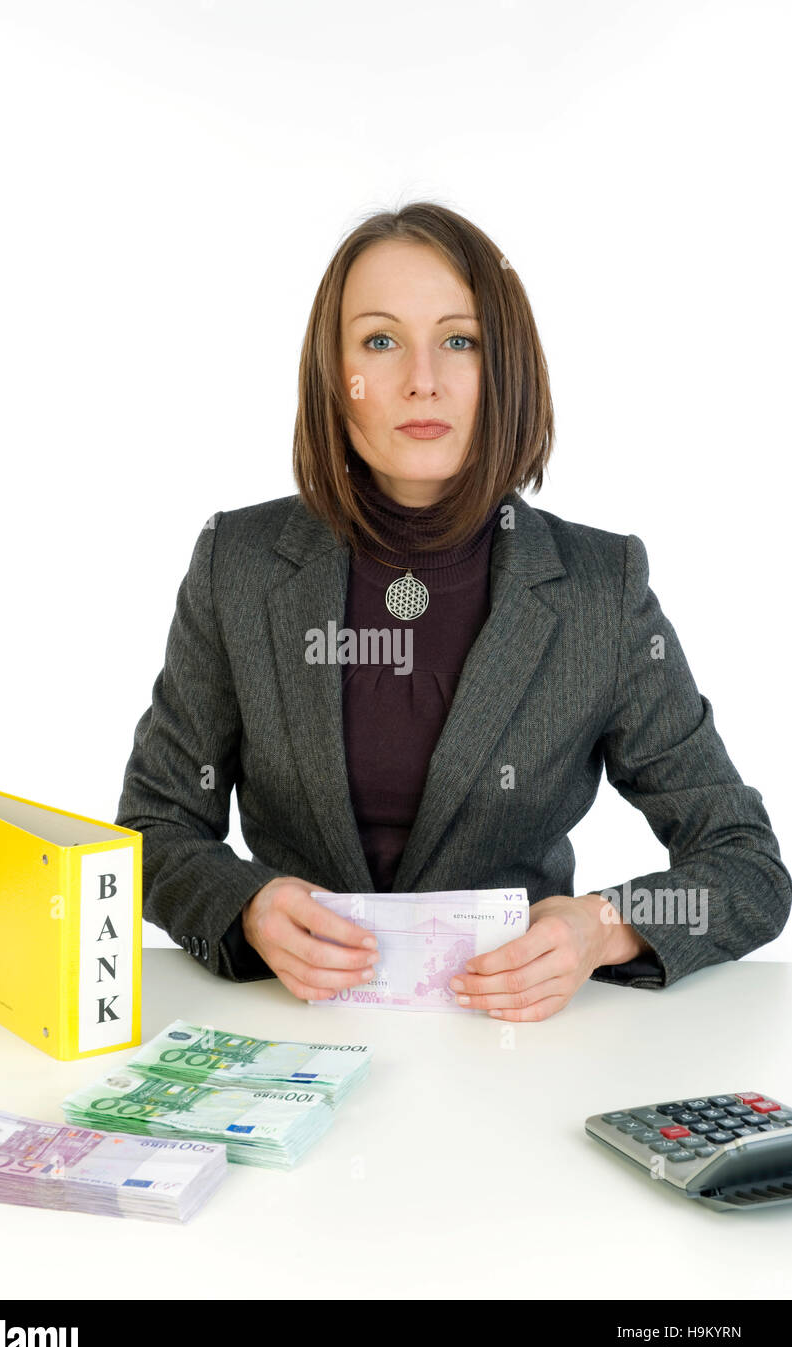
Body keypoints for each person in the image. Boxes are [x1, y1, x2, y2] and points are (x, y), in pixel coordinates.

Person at [115, 201, 790, 1021]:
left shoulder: (597, 588)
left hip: (510, 1050)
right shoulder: (240, 564)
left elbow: (745, 864)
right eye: (380, 340)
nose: (421, 380)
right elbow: (153, 831)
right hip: (287, 1035)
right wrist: (247, 905)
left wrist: (599, 928)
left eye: (459, 341)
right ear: (335, 374)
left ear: (503, 366)